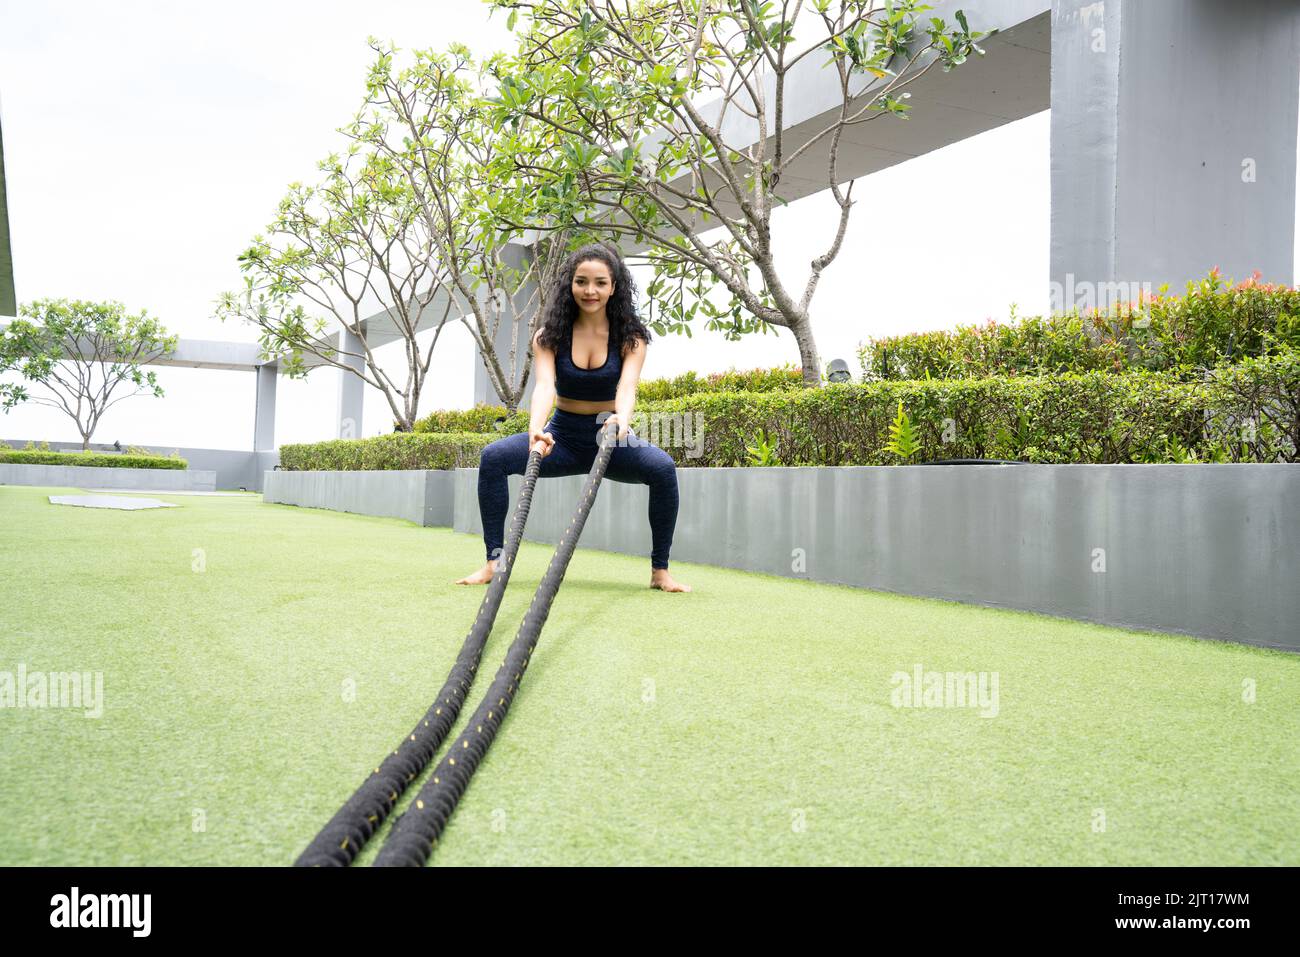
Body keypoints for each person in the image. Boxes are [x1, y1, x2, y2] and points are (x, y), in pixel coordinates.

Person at [455, 242, 691, 593]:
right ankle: (493, 562)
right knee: (494, 458)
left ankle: (660, 572)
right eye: (582, 282)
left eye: (600, 283)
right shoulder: (548, 336)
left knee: (662, 469)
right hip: (562, 437)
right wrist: (537, 430)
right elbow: (545, 386)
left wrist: (622, 419)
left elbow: (627, 387)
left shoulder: (632, 338)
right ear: (570, 284)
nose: (590, 291)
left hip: (609, 438)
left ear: (614, 287)